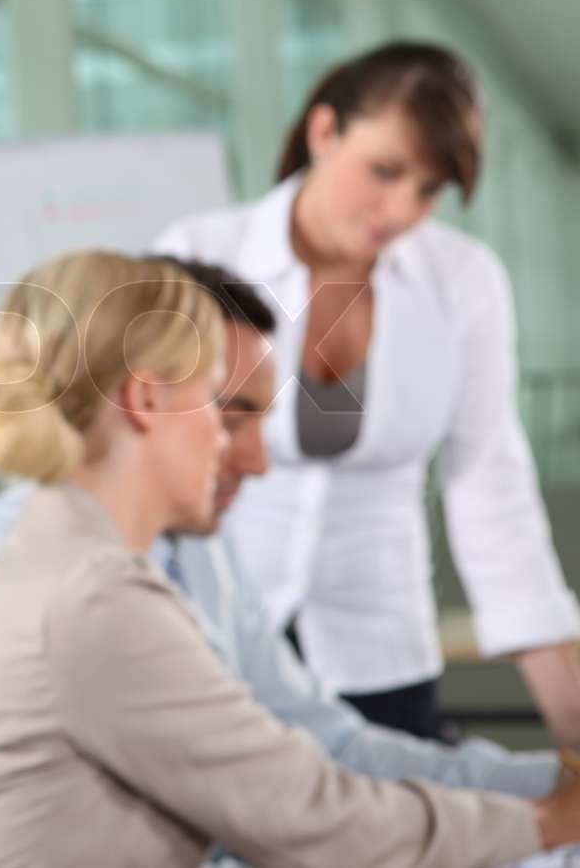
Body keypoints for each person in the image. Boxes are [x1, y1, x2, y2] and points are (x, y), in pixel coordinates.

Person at [0, 250, 580, 868]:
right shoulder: (92, 596)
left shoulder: (74, 554)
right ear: (146, 400)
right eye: (219, 404)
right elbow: (310, 817)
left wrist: (542, 795)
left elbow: (315, 756)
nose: (255, 458)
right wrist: (543, 821)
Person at [154, 41, 580, 743]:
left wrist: (568, 710)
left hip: (380, 648)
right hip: (214, 633)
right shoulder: (204, 252)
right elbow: (148, 456)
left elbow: (488, 484)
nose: (402, 209)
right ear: (324, 131)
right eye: (385, 171)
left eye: (429, 189)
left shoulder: (463, 280)